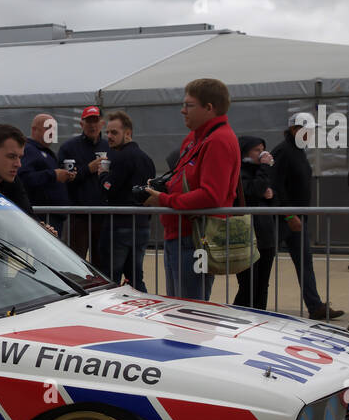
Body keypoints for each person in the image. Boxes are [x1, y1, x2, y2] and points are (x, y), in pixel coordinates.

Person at [143, 79, 240, 302]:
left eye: (189, 105)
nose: (182, 110)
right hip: (182, 234)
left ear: (209, 108)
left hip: (196, 237)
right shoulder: (198, 138)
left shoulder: (218, 140)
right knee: (179, 308)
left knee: (190, 311)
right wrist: (162, 189)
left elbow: (211, 195)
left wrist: (165, 199)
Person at [271, 115, 344, 319]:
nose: (310, 135)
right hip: (282, 218)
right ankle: (252, 303)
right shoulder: (283, 152)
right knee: (263, 262)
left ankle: (315, 306)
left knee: (305, 261)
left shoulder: (298, 152)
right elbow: (275, 186)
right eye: (307, 131)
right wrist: (288, 215)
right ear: (294, 130)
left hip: (297, 219)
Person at [100, 111, 155, 291]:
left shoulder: (121, 157)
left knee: (111, 279)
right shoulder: (147, 158)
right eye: (107, 132)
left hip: (120, 225)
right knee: (136, 278)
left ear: (128, 133)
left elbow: (109, 187)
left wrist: (102, 176)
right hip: (141, 226)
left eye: (114, 132)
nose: (109, 136)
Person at [232, 136, 277, 310]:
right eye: (257, 150)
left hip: (265, 237)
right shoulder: (239, 171)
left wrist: (271, 194)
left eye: (263, 149)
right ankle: (239, 318)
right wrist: (265, 168)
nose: (262, 153)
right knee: (248, 286)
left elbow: (273, 199)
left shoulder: (263, 172)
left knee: (262, 286)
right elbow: (252, 190)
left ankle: (260, 317)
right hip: (246, 237)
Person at [59, 106, 108, 261]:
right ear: (81, 124)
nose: (92, 125)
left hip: (103, 215)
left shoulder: (109, 146)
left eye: (95, 121)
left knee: (101, 264)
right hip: (78, 216)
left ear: (102, 123)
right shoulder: (69, 148)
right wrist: (88, 169)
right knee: (75, 261)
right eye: (88, 122)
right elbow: (63, 179)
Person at [19, 113, 72, 235]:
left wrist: (63, 175)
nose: (52, 132)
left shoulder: (45, 152)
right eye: (48, 128)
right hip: (44, 216)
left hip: (53, 215)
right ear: (34, 129)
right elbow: (24, 178)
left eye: (54, 129)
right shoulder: (30, 150)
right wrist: (53, 174)